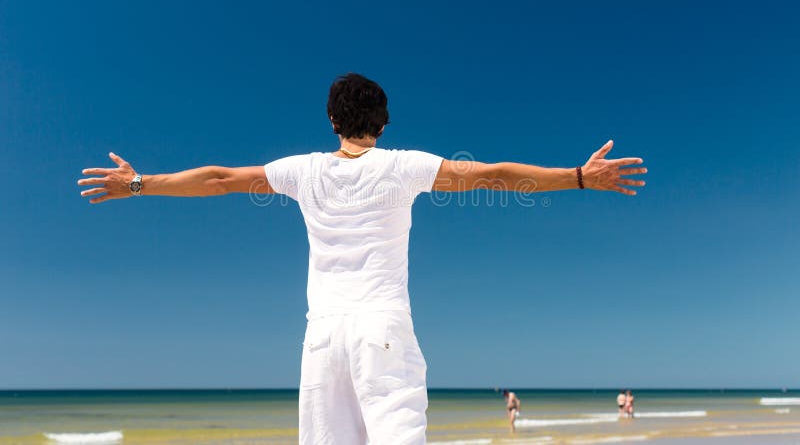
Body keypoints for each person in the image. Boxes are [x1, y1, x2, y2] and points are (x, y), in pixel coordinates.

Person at [77, 73, 647, 444]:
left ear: (332, 121)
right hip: (382, 329)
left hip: (322, 339)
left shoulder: (302, 171)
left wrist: (140, 184)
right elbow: (490, 174)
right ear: (383, 124)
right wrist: (578, 177)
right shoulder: (403, 166)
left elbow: (220, 178)